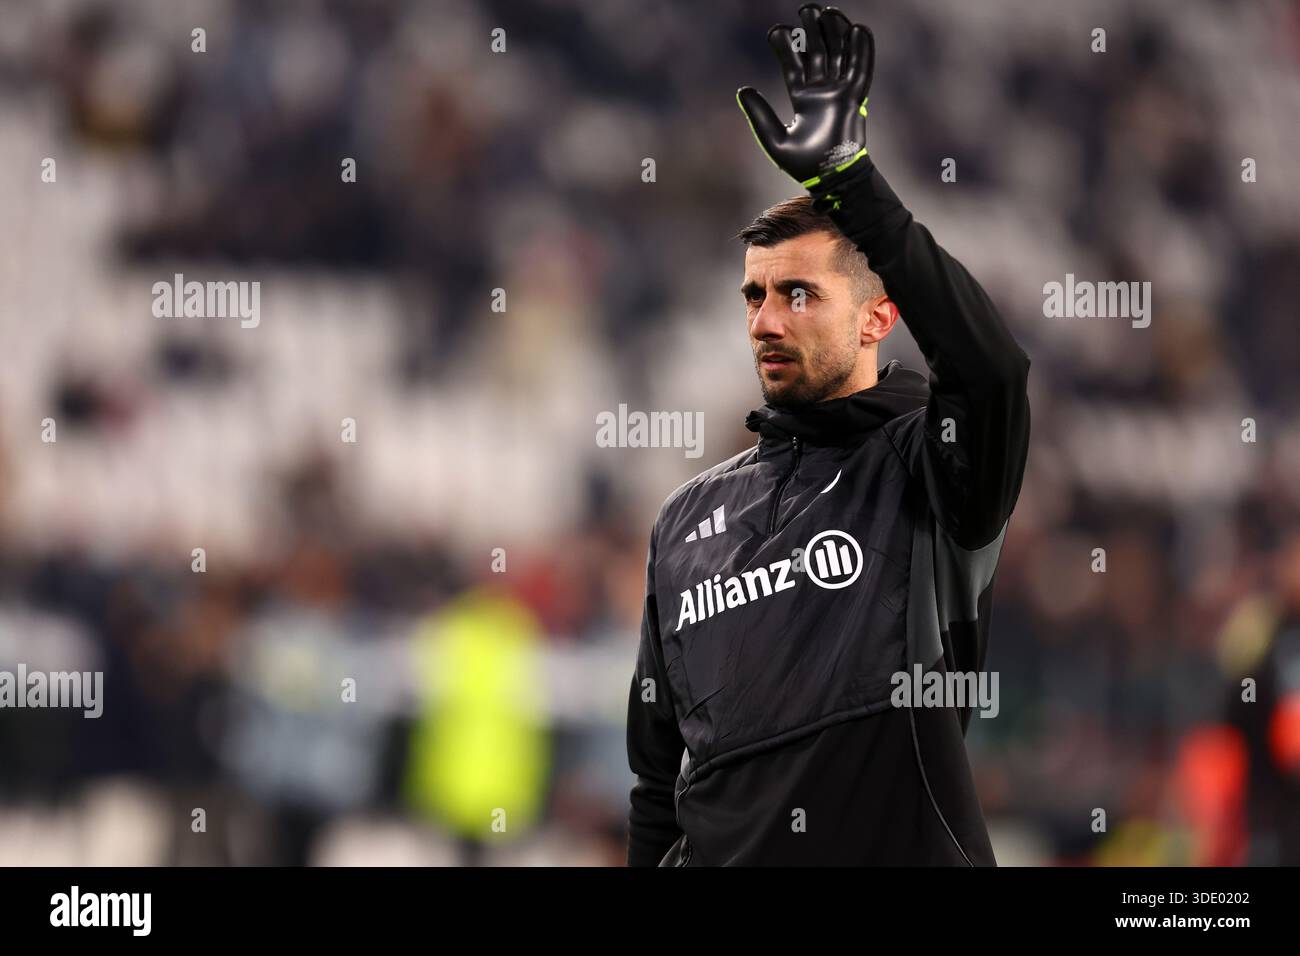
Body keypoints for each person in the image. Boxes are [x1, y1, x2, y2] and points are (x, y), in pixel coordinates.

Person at [625, 4, 1031, 865]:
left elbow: (992, 370)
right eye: (754, 296)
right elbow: (657, 783)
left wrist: (852, 181)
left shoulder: (927, 467)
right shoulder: (683, 522)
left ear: (879, 315)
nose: (767, 321)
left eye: (799, 294)